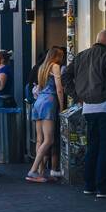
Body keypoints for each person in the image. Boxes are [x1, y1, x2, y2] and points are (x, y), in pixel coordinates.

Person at [63, 30, 106, 198]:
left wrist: (76, 95)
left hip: (88, 107)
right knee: (105, 147)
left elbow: (65, 75)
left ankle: (89, 185)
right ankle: (102, 186)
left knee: (92, 146)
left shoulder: (81, 56)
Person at [27, 48, 66, 183]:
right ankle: (33, 170)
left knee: (40, 139)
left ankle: (41, 172)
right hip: (49, 102)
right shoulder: (55, 66)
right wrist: (62, 107)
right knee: (49, 140)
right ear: (57, 57)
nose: (62, 59)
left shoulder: (42, 67)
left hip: (38, 103)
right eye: (61, 56)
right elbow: (59, 89)